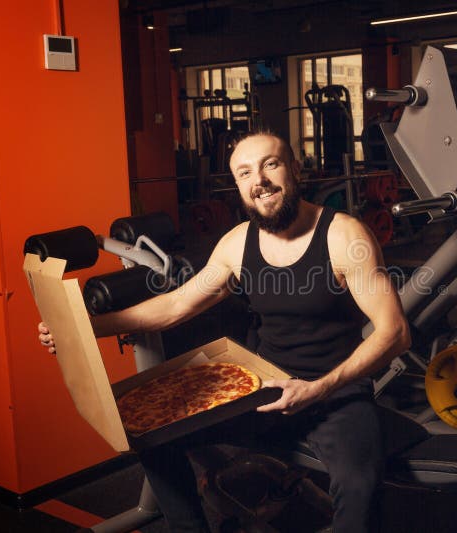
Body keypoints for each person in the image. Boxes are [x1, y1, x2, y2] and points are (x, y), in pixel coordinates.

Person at [38, 131, 410, 532]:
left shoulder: (344, 236)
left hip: (335, 394)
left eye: (271, 164)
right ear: (238, 186)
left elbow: (395, 332)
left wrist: (319, 387)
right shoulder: (237, 244)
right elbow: (177, 304)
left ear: (295, 170)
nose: (259, 181)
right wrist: (86, 328)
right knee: (152, 435)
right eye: (245, 172)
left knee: (358, 487)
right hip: (262, 384)